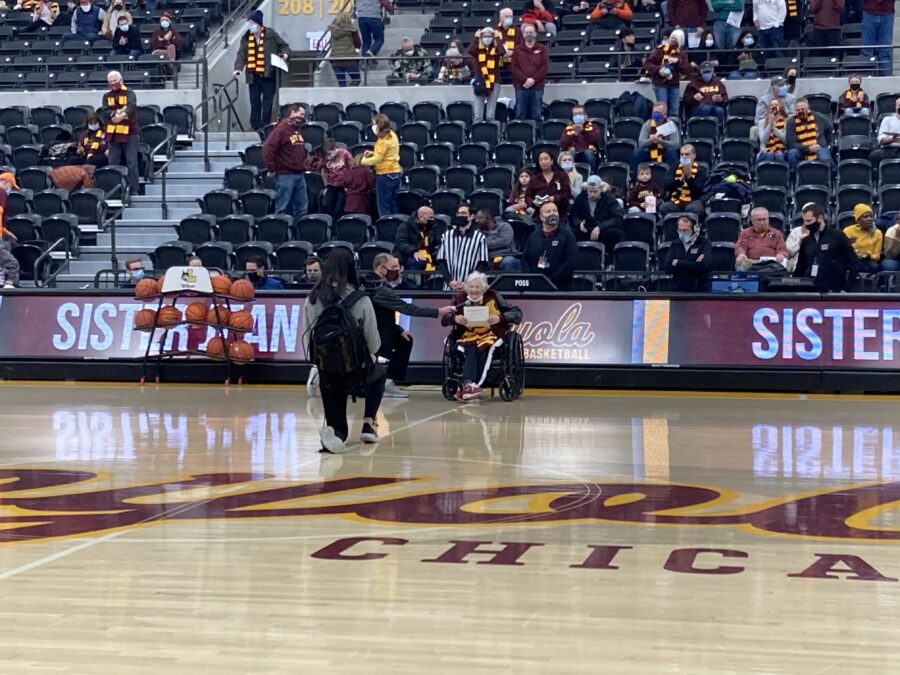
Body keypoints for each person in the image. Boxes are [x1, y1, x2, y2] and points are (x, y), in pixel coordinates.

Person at [302, 247, 384, 452]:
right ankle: (368, 424)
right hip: (355, 368)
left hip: (327, 368)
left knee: (338, 425)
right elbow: (374, 343)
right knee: (380, 374)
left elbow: (308, 335)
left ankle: (335, 433)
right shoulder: (361, 299)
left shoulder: (312, 297)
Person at [371, 253, 456, 398]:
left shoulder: (375, 284)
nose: (397, 271)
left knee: (405, 340)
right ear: (381, 268)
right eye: (393, 268)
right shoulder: (378, 289)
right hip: (372, 333)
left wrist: (399, 329)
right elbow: (408, 309)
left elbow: (381, 316)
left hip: (381, 328)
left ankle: (388, 382)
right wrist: (438, 311)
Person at [442, 271, 522, 401]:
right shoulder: (459, 299)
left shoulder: (493, 296)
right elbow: (445, 319)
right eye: (471, 287)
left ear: (484, 288)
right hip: (467, 335)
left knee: (484, 348)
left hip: (491, 334)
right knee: (471, 348)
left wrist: (499, 318)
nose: (474, 290)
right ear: (467, 287)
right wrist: (455, 319)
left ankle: (471, 385)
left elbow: (516, 313)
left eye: (477, 287)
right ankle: (469, 384)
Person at [233, 10, 290, 132]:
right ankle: (254, 126)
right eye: (249, 23)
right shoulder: (246, 38)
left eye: (252, 23)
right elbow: (241, 55)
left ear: (259, 24)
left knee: (267, 103)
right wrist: (238, 68)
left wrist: (285, 54)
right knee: (254, 102)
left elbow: (284, 45)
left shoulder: (271, 34)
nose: (250, 25)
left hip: (268, 74)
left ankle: (265, 126)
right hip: (253, 76)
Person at [795, 203, 860, 292]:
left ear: (820, 218)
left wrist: (846, 288)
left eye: (809, 221)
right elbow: (800, 267)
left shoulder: (837, 236)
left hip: (835, 290)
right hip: (810, 289)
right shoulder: (806, 240)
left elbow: (854, 262)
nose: (806, 224)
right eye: (804, 221)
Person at [262, 103, 308, 223]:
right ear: (292, 113)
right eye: (300, 114)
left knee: (302, 209)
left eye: (303, 115)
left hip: (299, 175)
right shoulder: (281, 129)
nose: (302, 117)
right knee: (282, 209)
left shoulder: (297, 130)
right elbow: (267, 149)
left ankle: (299, 238)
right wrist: (272, 168)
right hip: (285, 175)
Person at [522, 201, 578, 290]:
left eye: (555, 211)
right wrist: (531, 278)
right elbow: (525, 260)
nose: (552, 214)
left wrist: (551, 279)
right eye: (548, 212)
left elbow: (571, 261)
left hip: (560, 286)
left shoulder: (568, 235)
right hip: (535, 286)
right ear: (541, 217)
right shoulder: (533, 236)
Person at [100, 70, 139, 195]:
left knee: (131, 163)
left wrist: (122, 116)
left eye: (115, 81)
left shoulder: (130, 93)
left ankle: (134, 189)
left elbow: (131, 106)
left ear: (121, 81)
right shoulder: (106, 96)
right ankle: (113, 191)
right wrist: (113, 115)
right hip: (113, 133)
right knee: (113, 163)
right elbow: (105, 110)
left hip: (130, 133)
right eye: (110, 82)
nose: (113, 84)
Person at [438, 203, 490, 291]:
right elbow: (441, 261)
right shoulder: (446, 236)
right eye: (458, 213)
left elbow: (483, 263)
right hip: (449, 287)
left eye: (463, 213)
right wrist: (450, 281)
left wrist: (468, 282)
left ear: (471, 216)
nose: (460, 216)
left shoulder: (480, 237)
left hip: (471, 288)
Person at [360, 114, 401, 218]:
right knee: (392, 204)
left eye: (374, 124)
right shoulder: (392, 134)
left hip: (385, 175)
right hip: (396, 172)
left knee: (383, 207)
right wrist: (373, 153)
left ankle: (385, 229)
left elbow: (378, 159)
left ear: (379, 125)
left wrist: (363, 160)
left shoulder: (382, 141)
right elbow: (387, 154)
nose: (372, 126)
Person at [644, 29, 689, 119]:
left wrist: (677, 62)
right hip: (660, 84)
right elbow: (648, 63)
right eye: (672, 38)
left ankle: (673, 130)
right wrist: (659, 69)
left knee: (674, 110)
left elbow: (686, 70)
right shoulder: (660, 50)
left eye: (676, 39)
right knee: (662, 108)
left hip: (674, 84)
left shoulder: (681, 54)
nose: (673, 40)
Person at [570, 175, 624, 248]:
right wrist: (579, 224)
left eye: (595, 191)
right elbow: (573, 217)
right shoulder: (580, 198)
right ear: (587, 190)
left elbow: (617, 219)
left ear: (601, 189)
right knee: (572, 233)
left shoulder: (609, 198)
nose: (592, 194)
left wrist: (599, 227)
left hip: (604, 230)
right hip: (586, 230)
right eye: (590, 191)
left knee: (615, 233)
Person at [511, 23, 548, 122]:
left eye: (531, 32)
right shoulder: (517, 49)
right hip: (520, 86)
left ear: (535, 34)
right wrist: (525, 80)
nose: (529, 34)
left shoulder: (542, 49)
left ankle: (538, 135)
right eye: (526, 32)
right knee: (520, 113)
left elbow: (544, 67)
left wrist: (533, 80)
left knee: (537, 114)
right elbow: (514, 67)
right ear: (523, 35)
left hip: (537, 86)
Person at [786, 97, 833, 174]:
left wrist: (828, 144)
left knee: (825, 157)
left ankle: (829, 181)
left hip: (819, 147)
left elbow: (829, 128)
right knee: (792, 153)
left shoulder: (819, 117)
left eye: (803, 109)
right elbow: (791, 143)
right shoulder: (791, 122)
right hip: (801, 150)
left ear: (808, 108)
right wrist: (808, 148)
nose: (800, 112)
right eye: (798, 110)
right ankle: (793, 180)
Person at [469, 27, 507, 123]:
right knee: (478, 115)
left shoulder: (496, 48)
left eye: (489, 36)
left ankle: (491, 134)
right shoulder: (478, 49)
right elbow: (470, 50)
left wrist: (497, 39)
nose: (487, 38)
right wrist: (476, 38)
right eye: (485, 36)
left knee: (490, 115)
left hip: (494, 81)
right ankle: (477, 134)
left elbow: (502, 52)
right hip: (480, 81)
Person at [659, 144, 707, 219]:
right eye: (682, 154)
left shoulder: (701, 170)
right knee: (664, 207)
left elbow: (698, 191)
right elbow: (666, 186)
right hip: (675, 199)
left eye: (687, 154)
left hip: (693, 200)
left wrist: (689, 177)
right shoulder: (674, 168)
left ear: (694, 155)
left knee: (694, 209)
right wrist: (679, 181)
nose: (684, 157)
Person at [665, 215, 711, 291]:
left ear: (694, 229)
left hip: (698, 289)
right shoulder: (675, 243)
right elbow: (667, 268)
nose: (682, 233)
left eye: (685, 230)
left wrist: (678, 262)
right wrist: (693, 264)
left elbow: (703, 266)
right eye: (680, 230)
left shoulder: (704, 243)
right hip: (677, 290)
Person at [632, 101, 681, 173]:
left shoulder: (670, 125)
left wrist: (661, 141)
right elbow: (641, 143)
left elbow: (676, 144)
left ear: (665, 114)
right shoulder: (648, 124)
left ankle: (672, 179)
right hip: (650, 150)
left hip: (665, 151)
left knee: (671, 152)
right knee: (637, 152)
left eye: (658, 113)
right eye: (654, 112)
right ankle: (635, 180)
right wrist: (651, 140)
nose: (655, 114)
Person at [526, 151, 571, 223]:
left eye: (546, 159)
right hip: (539, 217)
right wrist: (534, 202)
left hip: (560, 214)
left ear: (552, 161)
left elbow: (567, 194)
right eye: (541, 160)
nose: (543, 161)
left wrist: (554, 198)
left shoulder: (562, 175)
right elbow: (527, 196)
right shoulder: (534, 178)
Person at [395, 205, 442, 271]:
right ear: (421, 217)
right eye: (430, 218)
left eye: (433, 218)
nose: (432, 220)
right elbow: (401, 243)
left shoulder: (432, 226)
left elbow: (439, 241)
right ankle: (413, 281)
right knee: (420, 262)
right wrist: (414, 252)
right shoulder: (405, 226)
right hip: (409, 256)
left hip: (429, 256)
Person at [843, 204, 885, 274]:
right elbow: (843, 251)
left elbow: (877, 256)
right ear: (858, 219)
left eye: (871, 216)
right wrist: (855, 253)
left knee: (874, 266)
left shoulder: (877, 233)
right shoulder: (847, 231)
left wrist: (868, 255)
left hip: (869, 261)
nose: (869, 219)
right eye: (865, 217)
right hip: (853, 259)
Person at [318, 139, 353, 220]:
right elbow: (324, 171)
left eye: (329, 154)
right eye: (326, 155)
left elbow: (351, 169)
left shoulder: (344, 154)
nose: (328, 156)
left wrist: (348, 184)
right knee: (326, 204)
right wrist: (326, 186)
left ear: (334, 148)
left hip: (343, 185)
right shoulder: (325, 158)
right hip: (331, 185)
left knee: (339, 206)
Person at [559, 105, 601, 170]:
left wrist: (583, 131)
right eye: (575, 114)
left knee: (588, 153)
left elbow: (596, 140)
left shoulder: (593, 127)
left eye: (580, 114)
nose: (577, 116)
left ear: (586, 116)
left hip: (588, 152)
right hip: (573, 151)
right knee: (570, 154)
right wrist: (575, 134)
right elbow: (563, 144)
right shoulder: (568, 128)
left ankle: (590, 174)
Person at [861, 0, 894, 76]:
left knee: (885, 50)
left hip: (887, 12)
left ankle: (886, 79)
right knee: (866, 50)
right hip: (869, 12)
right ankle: (866, 76)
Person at [328, 12, 361, 87]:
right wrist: (356, 51)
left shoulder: (333, 30)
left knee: (341, 83)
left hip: (335, 60)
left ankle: (343, 97)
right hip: (349, 59)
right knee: (356, 79)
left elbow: (331, 44)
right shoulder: (352, 30)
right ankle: (349, 93)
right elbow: (358, 44)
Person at [871, 97, 900, 174]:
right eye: (899, 105)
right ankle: (877, 182)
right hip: (889, 150)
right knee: (875, 155)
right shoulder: (887, 120)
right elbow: (881, 139)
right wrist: (892, 139)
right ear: (896, 107)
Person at [357, 0, 390, 66]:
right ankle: (370, 52)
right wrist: (391, 10)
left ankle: (364, 62)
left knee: (366, 41)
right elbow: (385, 3)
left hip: (361, 17)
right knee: (379, 39)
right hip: (374, 16)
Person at [495, 6, 522, 83]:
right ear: (500, 17)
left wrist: (513, 52)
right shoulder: (494, 30)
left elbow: (521, 46)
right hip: (497, 65)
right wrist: (502, 52)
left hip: (512, 66)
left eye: (511, 16)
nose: (509, 18)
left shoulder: (517, 31)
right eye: (507, 16)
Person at [757, 98, 788, 163]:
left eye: (776, 104)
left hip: (782, 151)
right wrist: (770, 124)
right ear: (769, 108)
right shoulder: (762, 122)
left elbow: (786, 140)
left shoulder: (786, 122)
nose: (774, 106)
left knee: (779, 155)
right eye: (772, 105)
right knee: (770, 155)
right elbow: (763, 140)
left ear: (781, 107)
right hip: (765, 152)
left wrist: (774, 129)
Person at [0, 172, 21, 244]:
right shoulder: (2, 192)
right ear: (6, 182)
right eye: (11, 187)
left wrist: (7, 233)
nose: (11, 190)